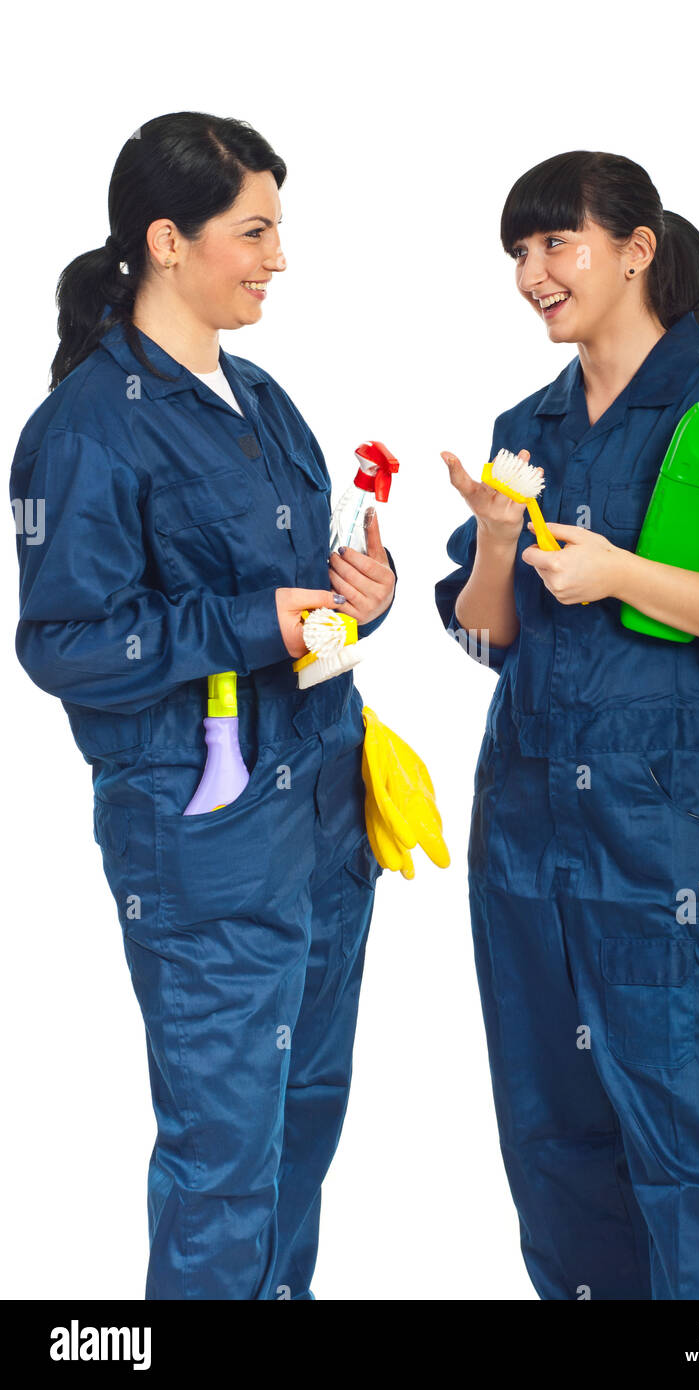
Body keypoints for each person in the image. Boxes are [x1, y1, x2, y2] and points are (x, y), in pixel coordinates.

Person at [434, 150, 699, 1300]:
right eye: (518, 252)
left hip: (670, 832)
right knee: (552, 1139)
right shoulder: (527, 427)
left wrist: (620, 573)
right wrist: (503, 547)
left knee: (694, 1145)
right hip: (522, 827)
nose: (532, 273)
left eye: (553, 243)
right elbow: (484, 636)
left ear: (635, 249)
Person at [10, 111, 397, 1300]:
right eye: (255, 230)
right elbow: (63, 643)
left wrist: (356, 602)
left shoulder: (264, 399)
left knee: (302, 1127)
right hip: (203, 838)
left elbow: (300, 603)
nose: (277, 257)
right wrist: (251, 621)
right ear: (167, 241)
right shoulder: (85, 427)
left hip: (326, 817)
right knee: (224, 1158)